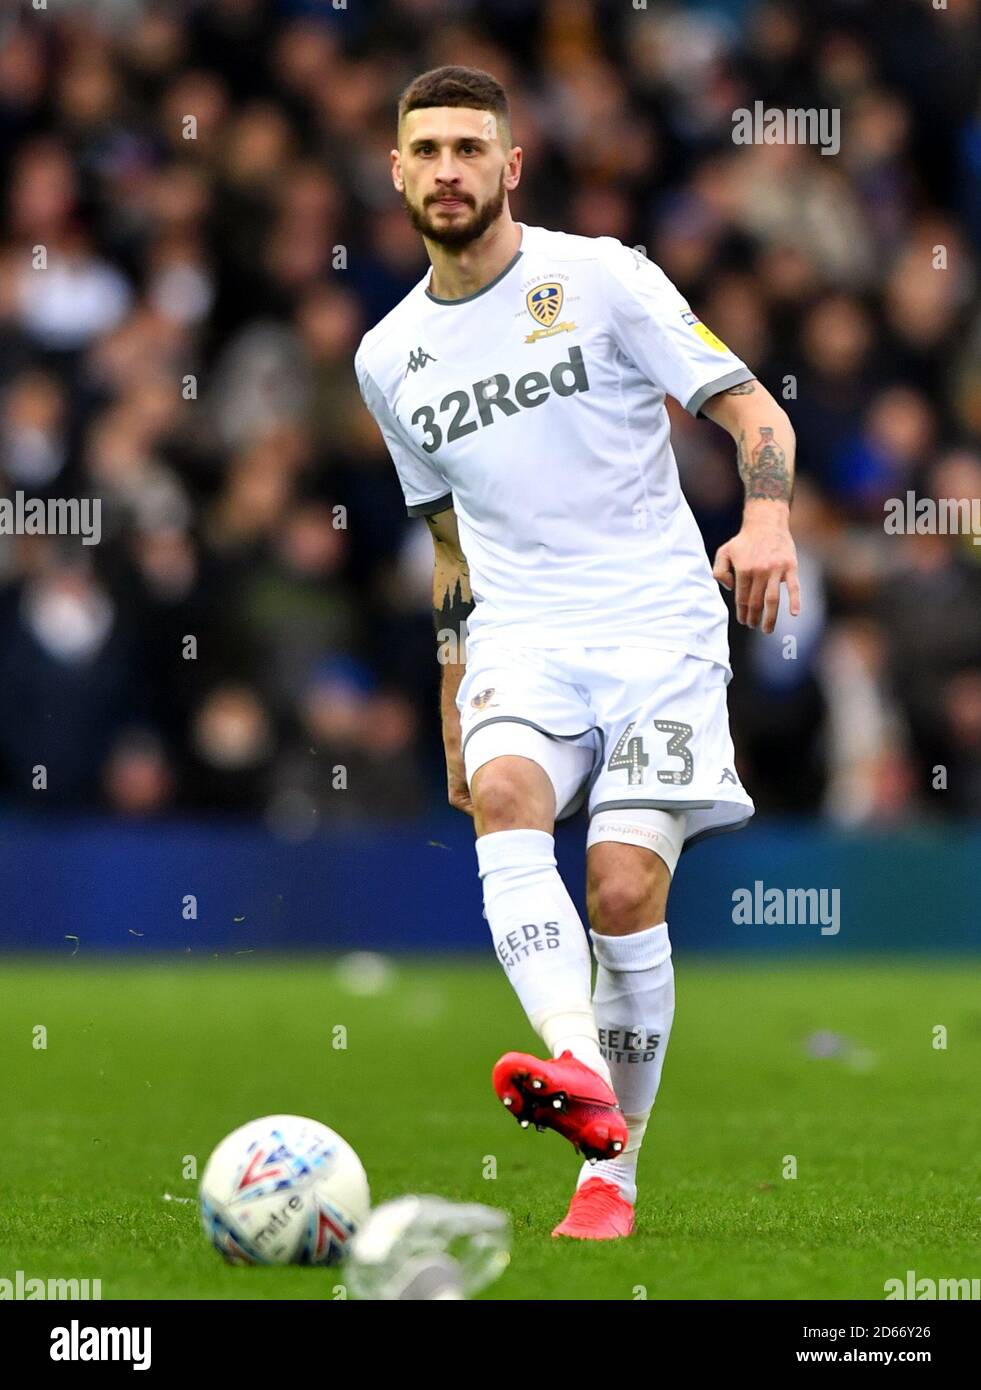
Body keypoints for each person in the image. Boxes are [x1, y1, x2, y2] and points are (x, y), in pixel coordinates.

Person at [355, 66, 799, 1240]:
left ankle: (613, 1175)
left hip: (658, 623)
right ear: (396, 171)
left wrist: (763, 519)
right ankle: (575, 1066)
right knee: (505, 795)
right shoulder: (387, 357)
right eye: (427, 149)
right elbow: (448, 541)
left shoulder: (600, 275)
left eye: (470, 148)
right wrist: (456, 689)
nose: (448, 168)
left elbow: (758, 412)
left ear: (512, 166)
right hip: (523, 631)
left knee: (619, 889)